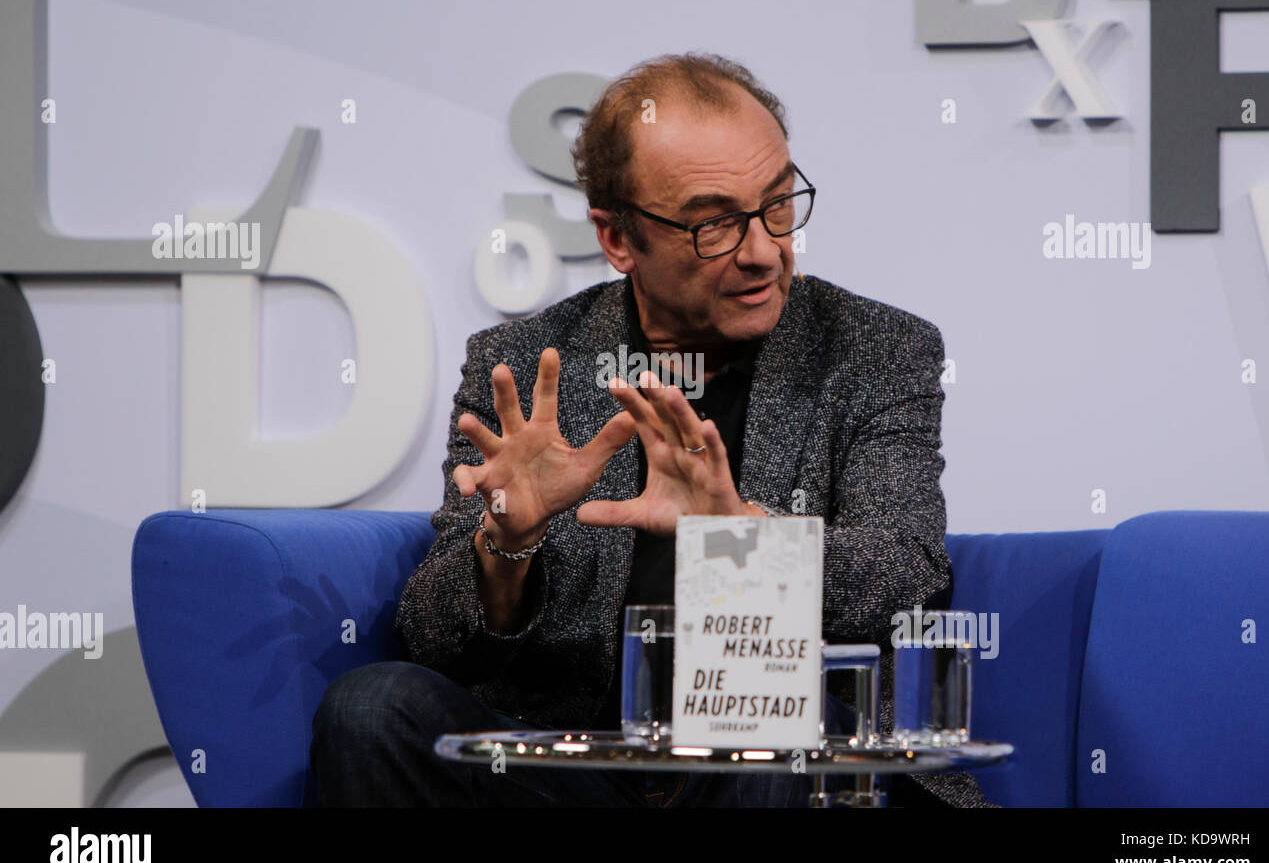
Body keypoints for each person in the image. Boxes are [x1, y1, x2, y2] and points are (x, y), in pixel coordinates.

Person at [311, 52, 995, 808]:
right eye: (714, 224)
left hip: (785, 767)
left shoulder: (873, 349)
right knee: (371, 709)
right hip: (581, 772)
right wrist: (506, 546)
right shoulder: (525, 367)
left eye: (776, 204)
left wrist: (746, 541)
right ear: (618, 239)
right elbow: (435, 639)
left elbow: (907, 574)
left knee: (764, 743)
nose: (765, 251)